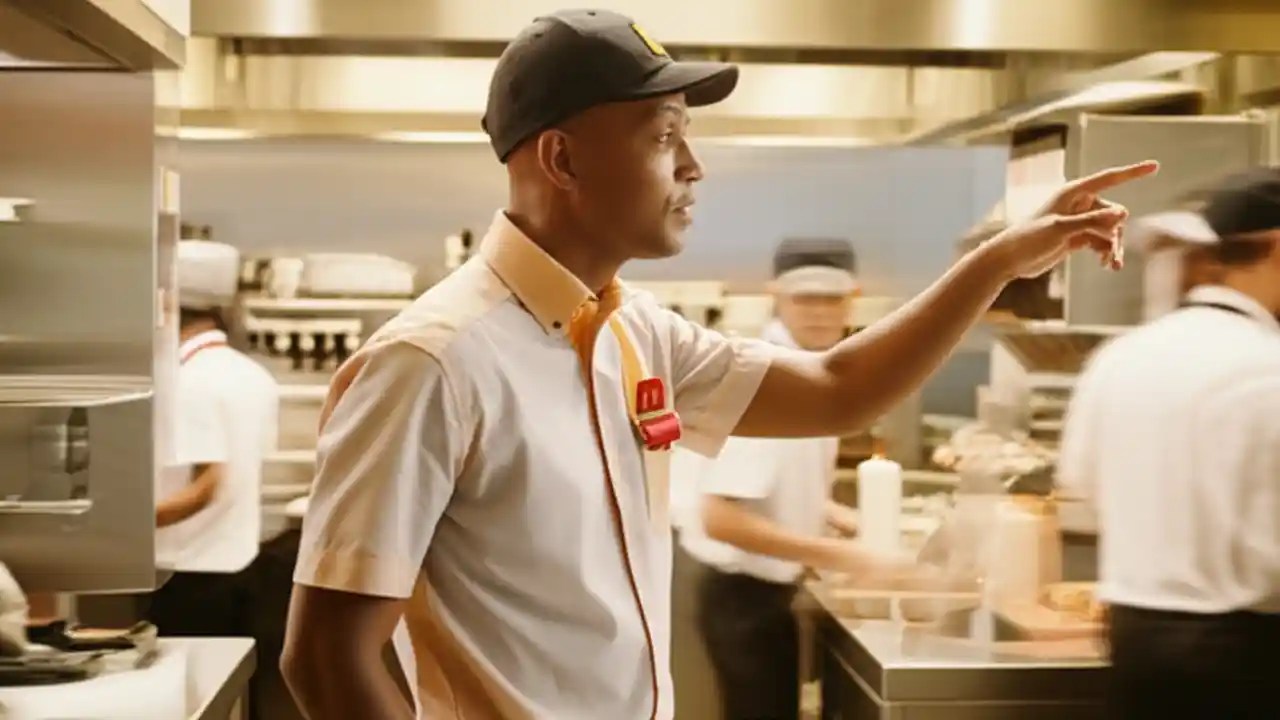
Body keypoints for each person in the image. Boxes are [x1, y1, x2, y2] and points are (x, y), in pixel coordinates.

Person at [279, 9, 1155, 720]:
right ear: (562, 157)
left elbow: (837, 389)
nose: (694, 166)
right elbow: (326, 658)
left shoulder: (634, 333)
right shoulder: (432, 362)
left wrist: (998, 262)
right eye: (665, 136)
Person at [1058, 167, 1280, 720]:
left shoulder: (1121, 356)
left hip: (1135, 642)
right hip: (1243, 653)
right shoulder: (1268, 366)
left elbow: (1079, 493)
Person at [673, 240, 864, 720]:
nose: (820, 313)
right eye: (805, 299)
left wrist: (837, 516)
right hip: (740, 597)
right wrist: (842, 555)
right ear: (775, 294)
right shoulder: (767, 378)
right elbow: (720, 516)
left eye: (832, 299)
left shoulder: (806, 366)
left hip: (759, 594)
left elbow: (770, 483)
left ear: (853, 297)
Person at [149, 239, 280, 639]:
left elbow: (209, 484)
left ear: (168, 306)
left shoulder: (190, 381)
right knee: (232, 696)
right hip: (238, 568)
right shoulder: (252, 375)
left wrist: (123, 526)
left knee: (194, 696)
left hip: (191, 578)